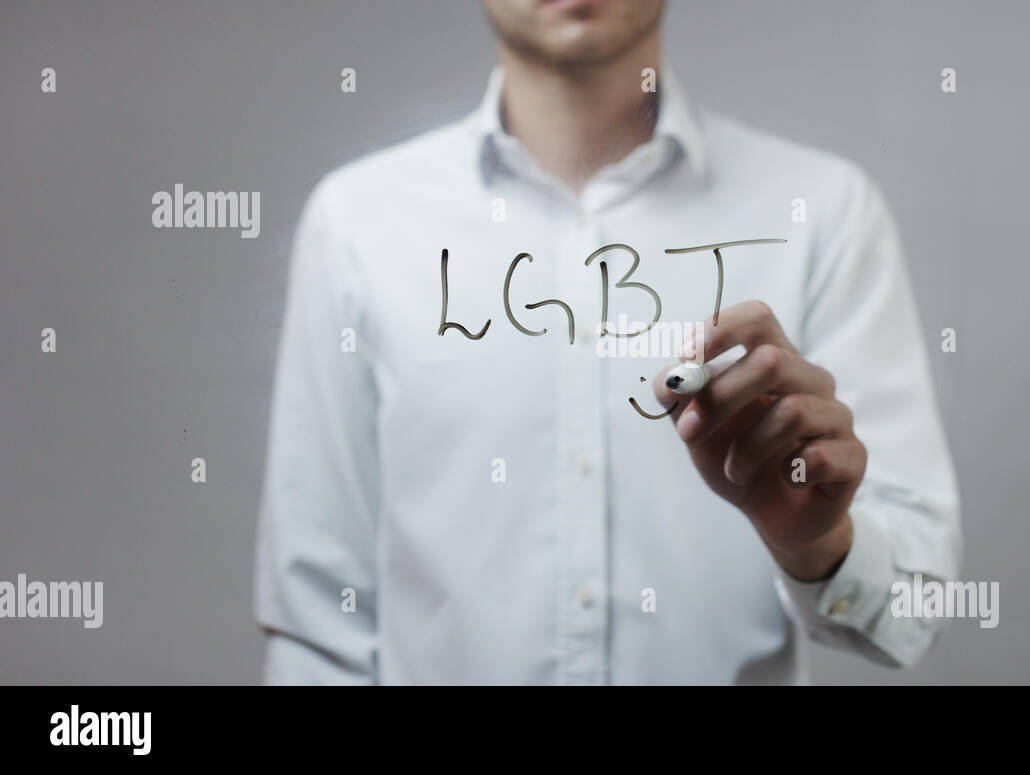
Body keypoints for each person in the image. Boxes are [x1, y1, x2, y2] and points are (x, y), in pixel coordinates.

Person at [255, 0, 961, 684]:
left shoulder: (823, 213)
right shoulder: (357, 224)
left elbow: (914, 609)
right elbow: (318, 628)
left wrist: (815, 543)